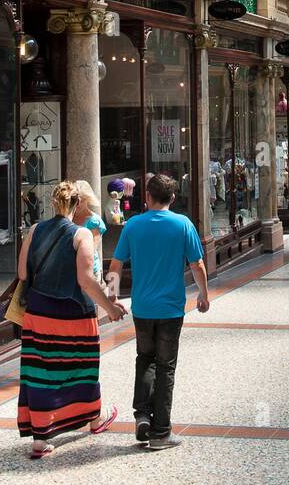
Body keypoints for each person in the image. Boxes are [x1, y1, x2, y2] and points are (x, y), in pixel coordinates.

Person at [17, 181, 125, 460]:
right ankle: (94, 419)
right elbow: (86, 280)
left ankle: (40, 440)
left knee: (40, 373)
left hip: (38, 315)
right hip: (74, 316)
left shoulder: (34, 230)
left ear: (53, 203)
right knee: (82, 368)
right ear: (77, 206)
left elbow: (22, 274)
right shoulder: (82, 235)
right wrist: (110, 308)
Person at [107, 173, 208, 451]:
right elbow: (197, 265)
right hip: (171, 309)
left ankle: (142, 414)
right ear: (172, 198)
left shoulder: (134, 226)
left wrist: (112, 297)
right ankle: (160, 432)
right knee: (166, 367)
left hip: (142, 308)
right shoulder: (183, 224)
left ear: (147, 197)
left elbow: (115, 266)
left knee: (144, 359)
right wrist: (204, 294)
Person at [73, 180, 106, 280]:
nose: (78, 204)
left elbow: (91, 250)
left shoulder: (94, 221)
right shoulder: (68, 218)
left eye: (81, 200)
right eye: (75, 200)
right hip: (71, 270)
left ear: (88, 199)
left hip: (89, 271)